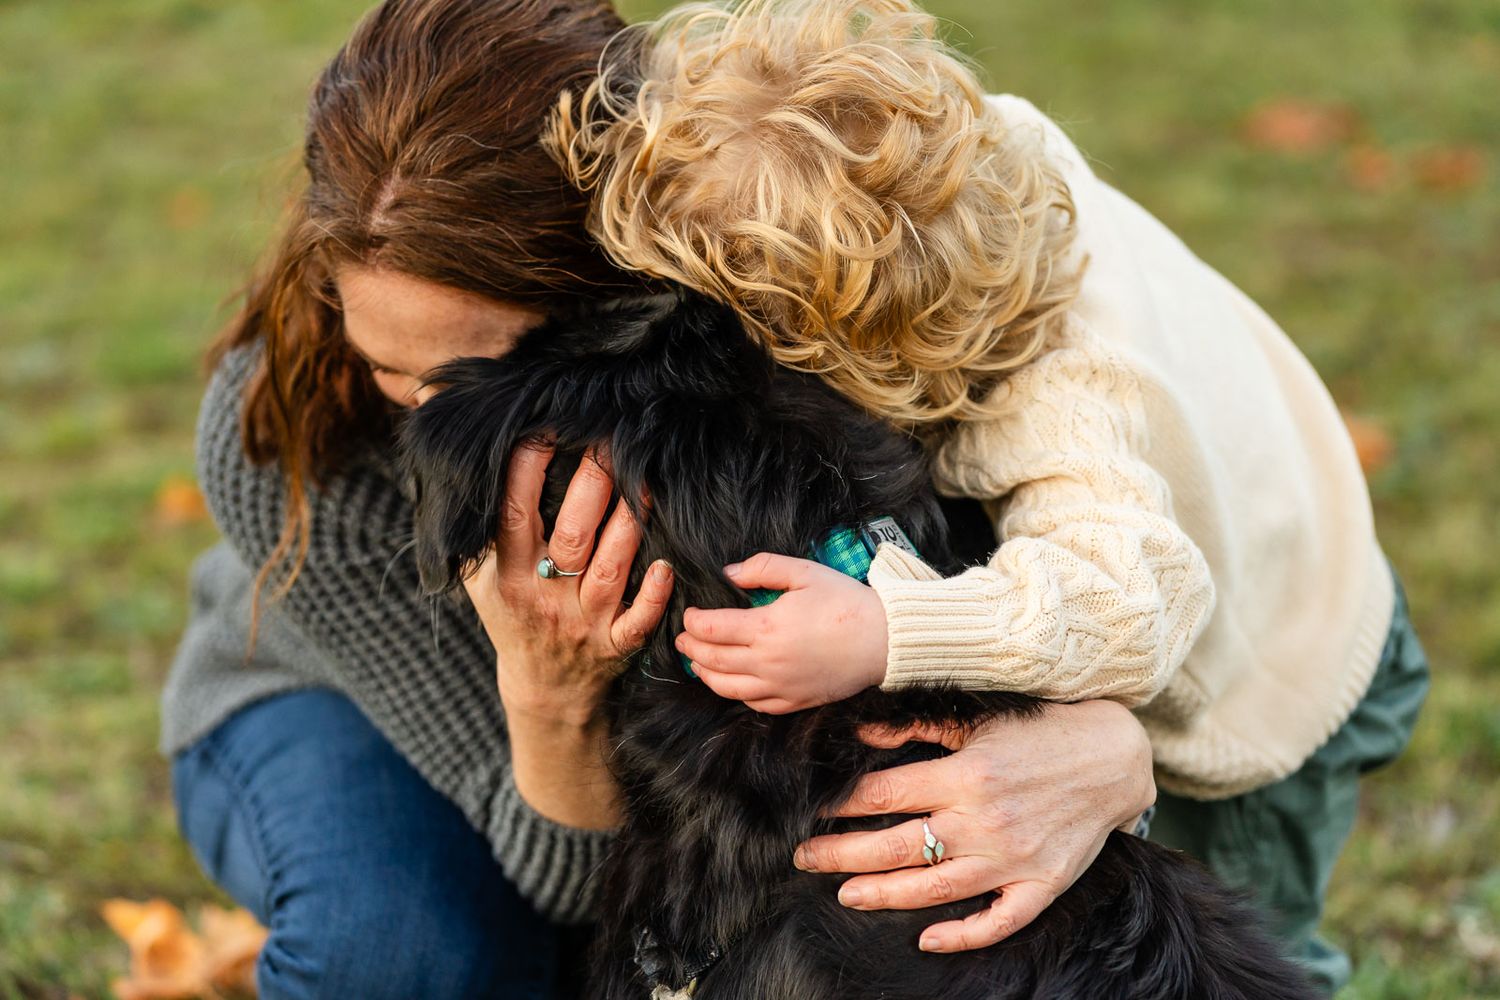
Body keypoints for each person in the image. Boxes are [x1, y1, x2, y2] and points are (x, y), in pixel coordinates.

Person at [163, 0, 1159, 996]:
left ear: (629, 291)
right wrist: (548, 694)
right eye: (389, 369)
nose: (436, 419)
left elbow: (1101, 569)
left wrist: (1103, 746)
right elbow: (573, 886)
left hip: (705, 741)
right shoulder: (279, 440)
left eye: (489, 376)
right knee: (414, 957)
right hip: (339, 699)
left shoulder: (794, 283)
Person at [551, 0, 1430, 991]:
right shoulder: (935, 157)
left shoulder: (1060, 400)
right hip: (1268, 488)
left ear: (851, 354)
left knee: (1226, 946)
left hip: (1273, 673)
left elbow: (1129, 606)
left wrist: (890, 630)